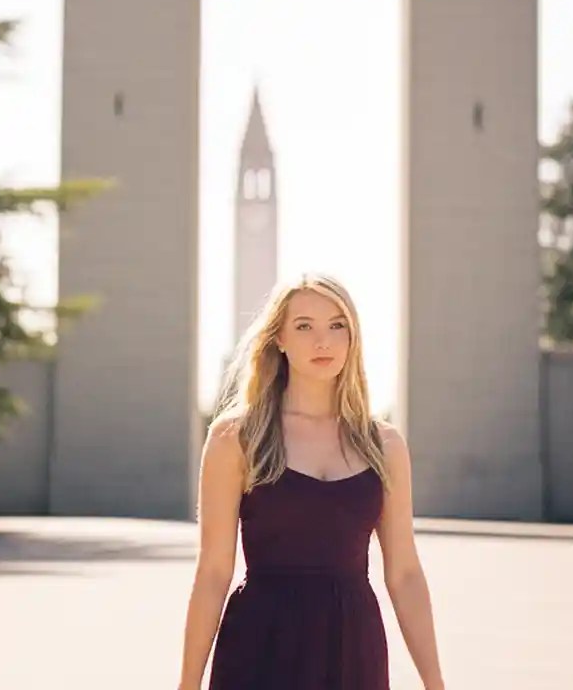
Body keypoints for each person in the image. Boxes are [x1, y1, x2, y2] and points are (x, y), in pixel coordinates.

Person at [177, 273, 446, 690]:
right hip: (260, 645)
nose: (323, 341)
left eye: (337, 325)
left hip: (353, 647)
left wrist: (435, 682)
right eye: (304, 326)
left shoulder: (384, 444)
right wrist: (187, 684)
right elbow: (213, 571)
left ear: (352, 337)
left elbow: (405, 573)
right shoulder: (238, 437)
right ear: (279, 338)